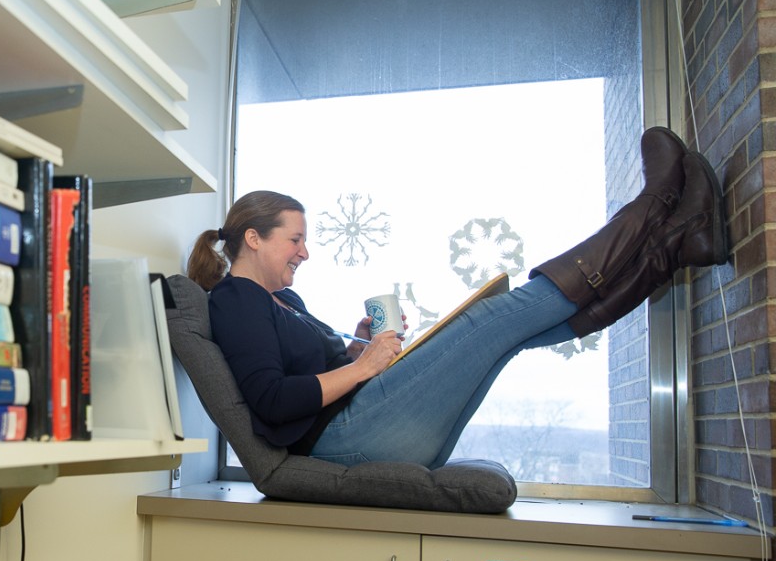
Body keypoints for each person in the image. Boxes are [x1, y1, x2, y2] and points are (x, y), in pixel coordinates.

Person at [186, 127, 727, 470]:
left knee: (503, 337)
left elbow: (316, 373)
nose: (305, 253)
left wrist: (357, 352)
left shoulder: (289, 305)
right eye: (295, 239)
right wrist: (365, 367)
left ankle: (672, 249)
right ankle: (656, 207)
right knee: (491, 318)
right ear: (253, 238)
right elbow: (274, 401)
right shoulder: (234, 300)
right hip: (346, 440)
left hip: (363, 421)